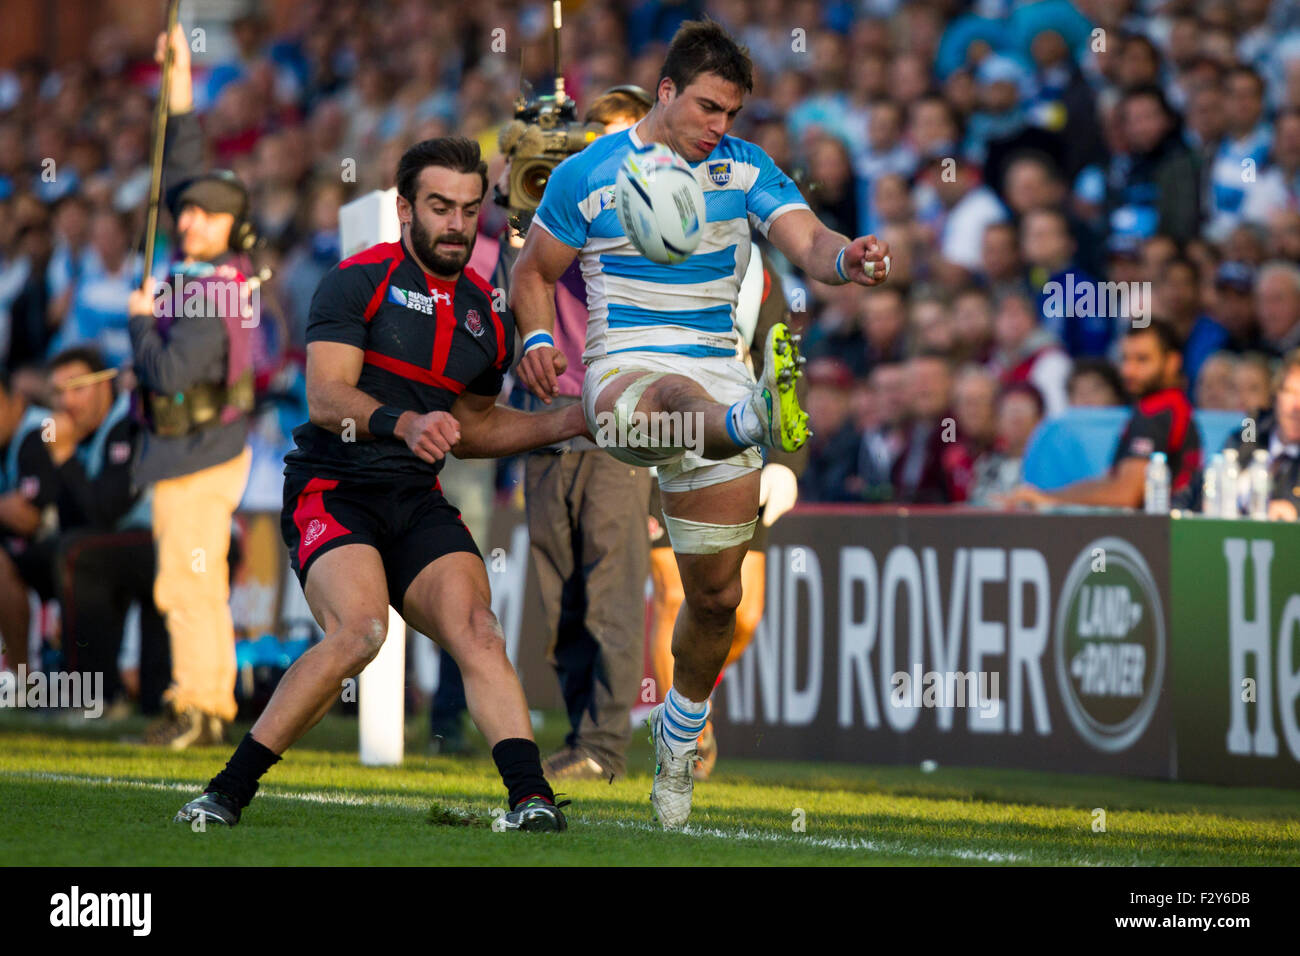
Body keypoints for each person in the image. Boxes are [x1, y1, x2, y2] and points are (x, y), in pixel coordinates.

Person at [509, 20, 890, 829]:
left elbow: (806, 239)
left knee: (716, 599)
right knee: (674, 406)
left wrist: (846, 259)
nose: (720, 126)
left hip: (719, 364)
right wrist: (539, 337)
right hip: (622, 372)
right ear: (668, 90)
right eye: (709, 108)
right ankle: (754, 416)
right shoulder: (587, 174)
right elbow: (532, 270)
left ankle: (679, 739)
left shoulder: (743, 167)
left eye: (732, 114)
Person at [174, 136, 587, 833]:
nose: (455, 224)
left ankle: (531, 800)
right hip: (333, 488)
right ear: (403, 207)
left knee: (479, 629)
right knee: (360, 631)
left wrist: (574, 419)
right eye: (438, 207)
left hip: (414, 496)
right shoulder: (357, 280)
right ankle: (224, 791)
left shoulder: (488, 313)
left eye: (467, 208)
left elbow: (475, 427)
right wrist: (401, 424)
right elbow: (327, 398)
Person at [126, 25, 257, 749]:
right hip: (204, 445)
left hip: (196, 449)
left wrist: (140, 328)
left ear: (229, 224)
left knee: (185, 584)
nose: (187, 219)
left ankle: (198, 704)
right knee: (195, 584)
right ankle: (207, 702)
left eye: (203, 214)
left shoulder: (211, 290)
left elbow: (170, 371)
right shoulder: (217, 275)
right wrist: (178, 87)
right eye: (186, 212)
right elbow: (181, 167)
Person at [646, 244, 806, 780]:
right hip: (661, 438)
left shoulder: (761, 273)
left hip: (738, 442)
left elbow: (780, 366)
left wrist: (785, 461)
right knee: (676, 590)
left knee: (741, 612)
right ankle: (687, 732)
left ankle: (685, 701)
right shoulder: (640, 250)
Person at [48, 347, 168, 717]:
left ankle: (90, 695)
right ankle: (118, 694)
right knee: (73, 552)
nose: (67, 402)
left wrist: (65, 457)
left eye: (78, 388)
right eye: (59, 392)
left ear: (105, 386)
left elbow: (105, 511)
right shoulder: (93, 431)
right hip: (150, 541)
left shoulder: (127, 421)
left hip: (178, 537)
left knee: (77, 554)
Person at [1000, 321, 1201, 509]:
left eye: (1142, 359)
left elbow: (1126, 494)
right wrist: (1046, 495)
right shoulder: (1169, 407)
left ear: (1172, 362)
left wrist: (1049, 500)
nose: (1129, 370)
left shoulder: (1158, 410)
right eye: (1125, 359)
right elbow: (1114, 482)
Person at [0, 370, 71, 673]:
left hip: (80, 542)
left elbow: (28, 519)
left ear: (17, 402)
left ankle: (19, 675)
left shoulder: (41, 430)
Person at [1227, 348, 1300, 521]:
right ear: (1275, 395)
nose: (1297, 406)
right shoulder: (1250, 433)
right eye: (1290, 392)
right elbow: (1202, 486)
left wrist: (1294, 509)